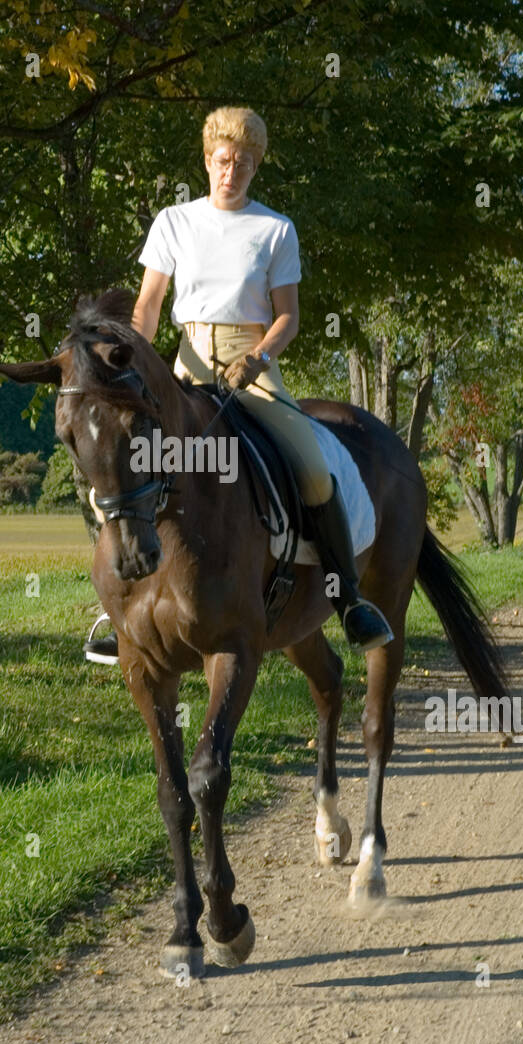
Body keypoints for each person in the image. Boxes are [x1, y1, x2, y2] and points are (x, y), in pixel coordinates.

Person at [85, 105, 393, 664]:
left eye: (245, 164)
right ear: (207, 161)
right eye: (225, 160)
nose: (233, 171)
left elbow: (289, 318)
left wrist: (257, 356)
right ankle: (117, 608)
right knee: (121, 463)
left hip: (251, 366)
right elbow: (149, 306)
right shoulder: (174, 222)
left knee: (311, 465)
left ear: (255, 168)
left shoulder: (275, 230)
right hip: (183, 364)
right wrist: (130, 366)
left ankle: (347, 598)